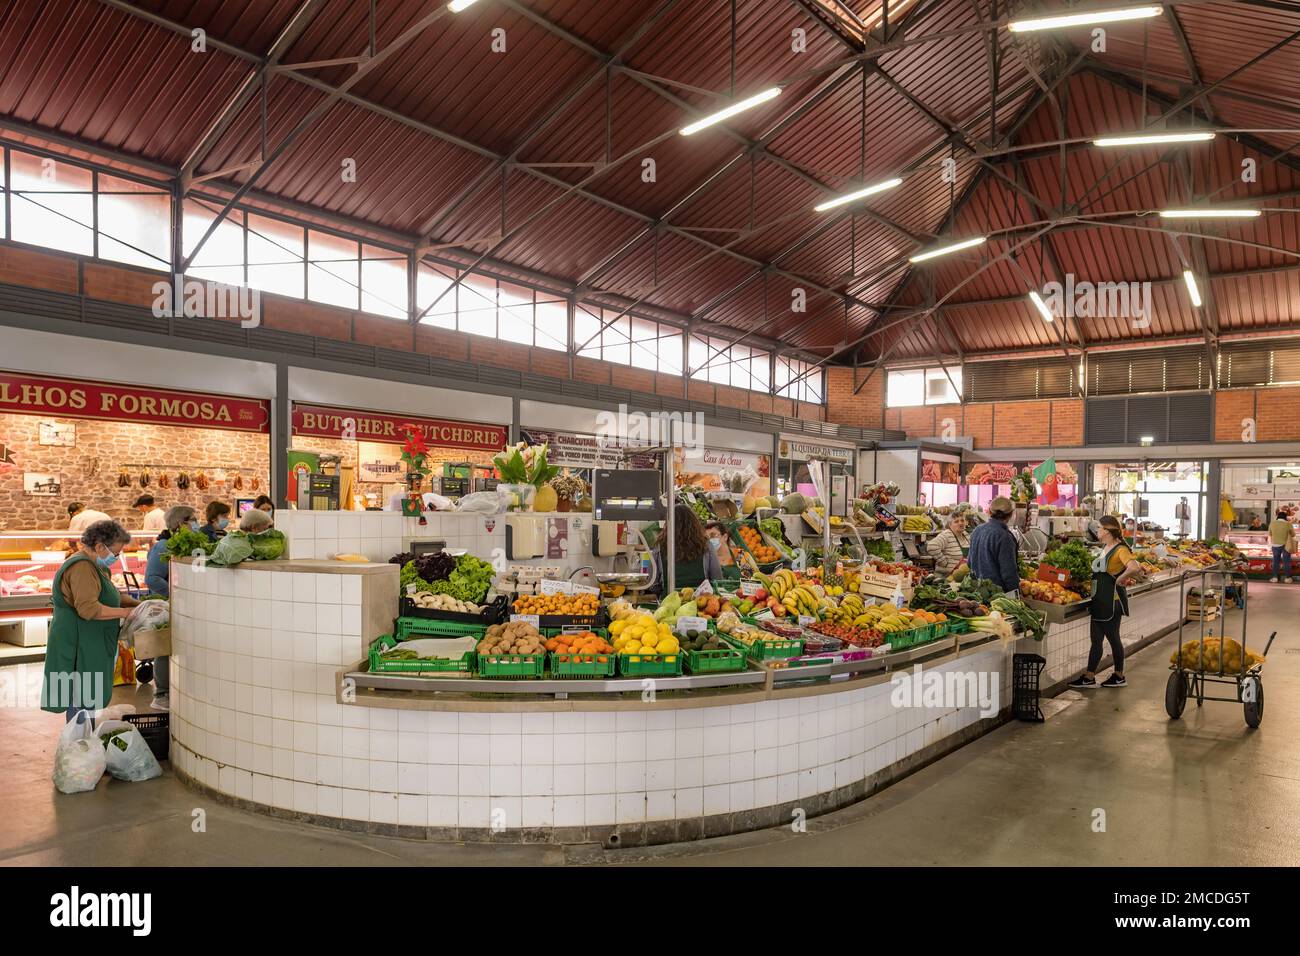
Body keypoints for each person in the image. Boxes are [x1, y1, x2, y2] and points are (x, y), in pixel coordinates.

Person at [40, 520, 140, 723]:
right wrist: (124, 613)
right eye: (115, 553)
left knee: (87, 697)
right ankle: (80, 745)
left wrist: (139, 604)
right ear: (100, 547)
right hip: (79, 643)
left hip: (90, 641)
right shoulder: (81, 567)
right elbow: (88, 609)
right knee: (81, 697)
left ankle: (84, 740)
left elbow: (108, 594)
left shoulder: (95, 565)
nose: (116, 558)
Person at [1070, 515, 1142, 689]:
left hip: (1111, 601)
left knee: (1113, 639)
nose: (1097, 531)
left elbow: (1134, 566)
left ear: (1108, 531)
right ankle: (1089, 676)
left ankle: (1119, 675)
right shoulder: (1107, 547)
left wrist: (1120, 579)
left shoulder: (1120, 549)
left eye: (1100, 528)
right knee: (1096, 640)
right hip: (1099, 600)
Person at [141, 506, 193, 711]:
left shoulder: (181, 544)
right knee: (164, 649)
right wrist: (175, 595)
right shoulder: (163, 546)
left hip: (178, 605)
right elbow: (151, 578)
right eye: (192, 520)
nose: (195, 524)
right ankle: (161, 693)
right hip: (166, 606)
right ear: (181, 523)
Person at [660, 503, 721, 591]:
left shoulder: (660, 546)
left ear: (668, 523)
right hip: (701, 600)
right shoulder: (705, 544)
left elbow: (653, 582)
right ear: (694, 523)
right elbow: (717, 578)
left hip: (668, 600)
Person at [966, 497, 1019, 595]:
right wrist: (1016, 596)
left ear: (989, 512)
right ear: (1011, 515)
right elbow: (1009, 573)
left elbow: (969, 563)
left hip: (976, 592)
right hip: (996, 595)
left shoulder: (977, 530)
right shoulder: (1004, 537)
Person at [928, 514, 970, 578]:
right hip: (945, 578)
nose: (960, 523)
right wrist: (944, 563)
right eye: (956, 521)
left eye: (962, 520)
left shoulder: (966, 535)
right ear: (950, 525)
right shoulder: (946, 535)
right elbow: (931, 546)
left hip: (960, 577)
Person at [1268, 508, 1294, 584]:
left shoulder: (1272, 523)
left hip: (1275, 545)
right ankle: (1287, 578)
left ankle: (1275, 577)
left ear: (1277, 517)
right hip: (1285, 545)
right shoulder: (1288, 524)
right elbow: (1293, 534)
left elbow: (1270, 533)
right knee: (1286, 561)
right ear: (1285, 517)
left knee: (1275, 561)